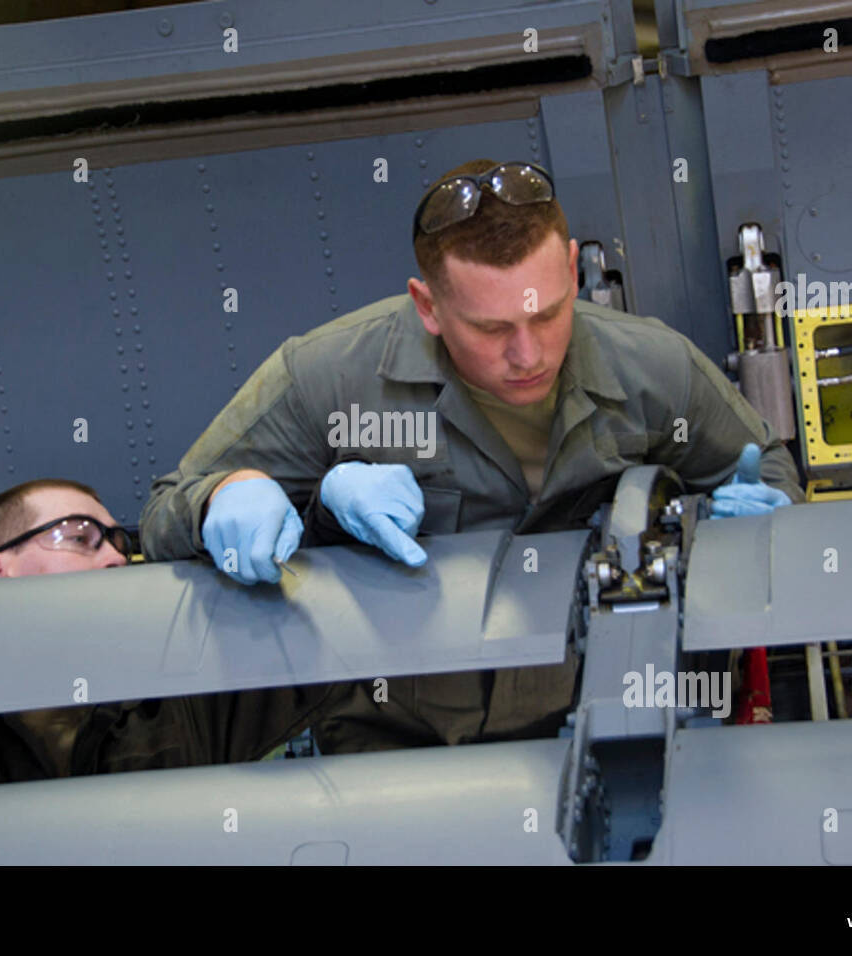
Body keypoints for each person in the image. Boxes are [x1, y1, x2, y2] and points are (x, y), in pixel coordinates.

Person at [140, 158, 802, 752]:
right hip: (403, 737)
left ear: (571, 270)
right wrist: (224, 498)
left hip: (610, 715)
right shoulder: (330, 375)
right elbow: (167, 508)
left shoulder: (654, 367)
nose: (529, 353)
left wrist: (753, 524)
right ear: (427, 306)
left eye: (547, 314)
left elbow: (769, 474)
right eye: (492, 329)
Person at [0, 478, 340, 800]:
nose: (113, 558)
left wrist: (330, 523)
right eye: (79, 537)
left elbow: (321, 641)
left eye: (118, 543)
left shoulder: (181, 710)